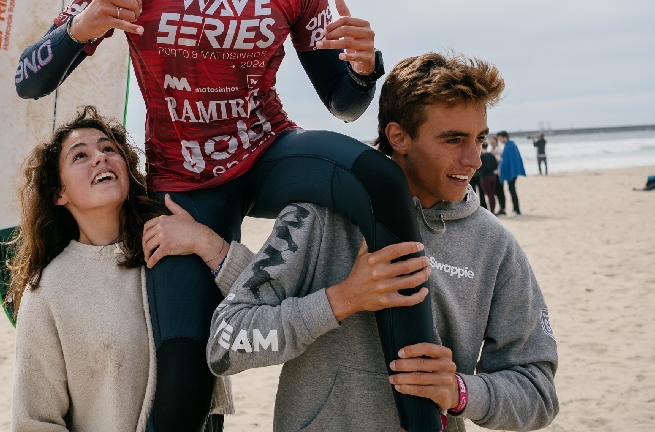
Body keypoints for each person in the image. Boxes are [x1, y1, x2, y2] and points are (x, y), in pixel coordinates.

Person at [0, 0, 440, 432]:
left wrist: (364, 68)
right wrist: (82, 27)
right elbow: (29, 78)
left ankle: (424, 414)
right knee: (184, 375)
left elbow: (343, 102)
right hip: (183, 188)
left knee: (384, 183)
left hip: (268, 153)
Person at [206, 53, 559, 431]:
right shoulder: (320, 216)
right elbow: (226, 344)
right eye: (454, 140)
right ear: (398, 136)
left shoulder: (495, 245)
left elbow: (538, 394)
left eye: (480, 139)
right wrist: (343, 298)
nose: (473, 158)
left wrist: (459, 391)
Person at [0, 106, 255, 432]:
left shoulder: (173, 242)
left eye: (109, 149)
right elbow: (34, 421)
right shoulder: (49, 289)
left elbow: (267, 301)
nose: (100, 157)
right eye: (80, 156)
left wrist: (207, 243)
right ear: (58, 193)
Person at [497, 131, 526, 216]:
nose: (500, 140)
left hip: (512, 173)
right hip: (513, 172)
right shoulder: (511, 145)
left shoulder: (509, 146)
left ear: (504, 137)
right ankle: (516, 209)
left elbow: (506, 161)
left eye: (500, 138)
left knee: (512, 190)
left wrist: (499, 160)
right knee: (512, 190)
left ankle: (516, 210)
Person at [476, 143, 499, 213]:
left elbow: (479, 168)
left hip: (484, 177)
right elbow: (495, 165)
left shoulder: (481, 157)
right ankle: (493, 210)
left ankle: (492, 211)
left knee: (489, 195)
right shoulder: (491, 155)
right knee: (492, 194)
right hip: (492, 176)